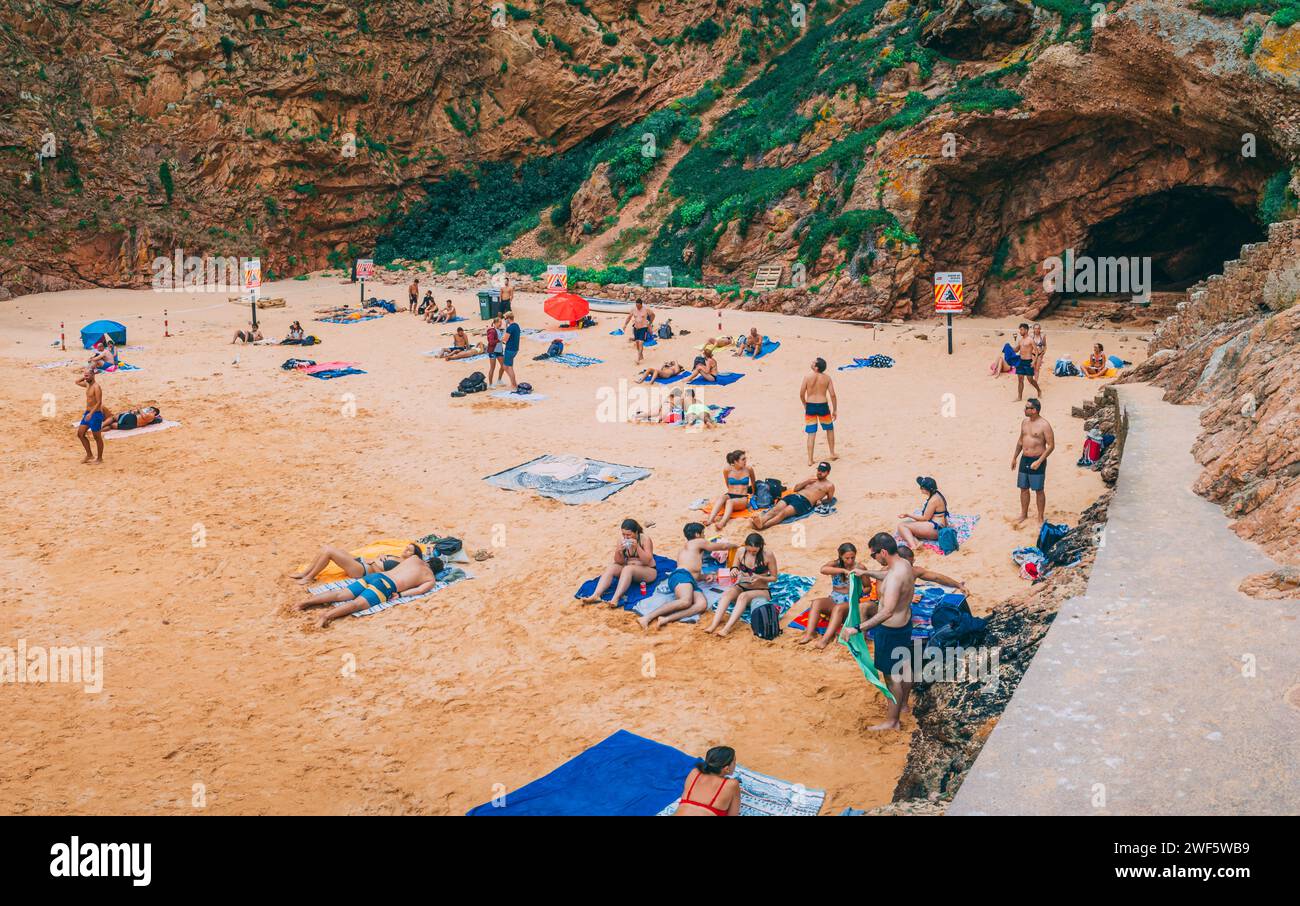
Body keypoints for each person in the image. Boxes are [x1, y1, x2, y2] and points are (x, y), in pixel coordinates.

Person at [842, 533, 915, 731]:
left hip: (890, 630)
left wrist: (857, 628)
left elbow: (887, 611)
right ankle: (903, 705)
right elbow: (888, 576)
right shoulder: (904, 565)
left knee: (891, 677)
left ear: (883, 552)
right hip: (904, 624)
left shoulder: (894, 577)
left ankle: (893, 721)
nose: (874, 558)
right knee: (903, 666)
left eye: (874, 555)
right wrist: (866, 573)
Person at [294, 551, 444, 627]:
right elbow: (418, 591)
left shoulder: (415, 558)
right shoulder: (430, 579)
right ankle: (326, 616)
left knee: (339, 594)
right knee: (356, 604)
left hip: (375, 576)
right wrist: (400, 594)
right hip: (386, 586)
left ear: (428, 561)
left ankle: (304, 603)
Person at [636, 523, 736, 631]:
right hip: (681, 576)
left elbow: (693, 573)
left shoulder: (687, 548)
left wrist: (705, 576)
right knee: (685, 601)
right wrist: (735, 546)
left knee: (701, 605)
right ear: (697, 534)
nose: (704, 536)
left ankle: (666, 619)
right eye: (703, 533)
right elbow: (722, 546)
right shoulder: (697, 542)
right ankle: (647, 617)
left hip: (687, 579)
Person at [705, 533, 776, 637]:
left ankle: (726, 629)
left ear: (761, 546)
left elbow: (774, 578)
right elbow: (734, 567)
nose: (752, 553)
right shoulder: (740, 551)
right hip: (742, 585)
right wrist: (733, 570)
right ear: (745, 545)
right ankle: (713, 625)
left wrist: (760, 577)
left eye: (755, 551)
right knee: (727, 593)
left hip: (761, 590)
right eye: (749, 550)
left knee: (743, 596)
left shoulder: (768, 555)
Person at [581, 519, 658, 608]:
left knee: (628, 569)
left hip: (647, 571)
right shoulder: (621, 540)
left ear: (636, 532)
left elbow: (647, 561)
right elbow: (619, 562)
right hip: (628, 571)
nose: (626, 537)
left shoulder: (645, 539)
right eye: (623, 534)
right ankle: (596, 595)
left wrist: (637, 547)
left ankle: (615, 599)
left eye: (628, 535)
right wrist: (619, 551)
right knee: (612, 567)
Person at [796, 542, 859, 649]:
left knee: (838, 608)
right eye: (847, 558)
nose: (850, 561)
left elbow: (867, 587)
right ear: (840, 556)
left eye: (853, 558)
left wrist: (855, 591)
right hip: (835, 597)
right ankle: (810, 634)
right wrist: (843, 570)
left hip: (849, 602)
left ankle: (825, 639)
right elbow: (823, 570)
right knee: (816, 602)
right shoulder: (834, 565)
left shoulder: (859, 567)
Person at [288, 542, 428, 586]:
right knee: (326, 547)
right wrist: (379, 556)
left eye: (408, 550)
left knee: (329, 552)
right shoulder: (397, 557)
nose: (405, 550)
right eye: (406, 548)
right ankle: (305, 573)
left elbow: (387, 574)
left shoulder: (403, 566)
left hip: (362, 570)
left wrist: (375, 564)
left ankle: (309, 577)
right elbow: (381, 559)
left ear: (413, 556)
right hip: (362, 561)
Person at [750, 462, 835, 530]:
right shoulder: (812, 478)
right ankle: (761, 521)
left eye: (823, 471)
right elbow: (796, 488)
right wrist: (807, 482)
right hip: (795, 495)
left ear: (828, 473)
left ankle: (763, 526)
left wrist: (821, 502)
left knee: (783, 513)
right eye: (819, 470)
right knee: (774, 510)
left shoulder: (829, 486)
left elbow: (830, 499)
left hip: (805, 502)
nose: (820, 472)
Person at [1012, 397, 1055, 527]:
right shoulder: (1024, 422)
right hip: (1024, 458)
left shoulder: (1044, 425)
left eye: (1027, 408)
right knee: (1023, 488)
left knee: (1038, 490)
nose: (1024, 410)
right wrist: (1014, 457)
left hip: (1038, 460)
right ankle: (1024, 514)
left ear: (1034, 410)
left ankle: (1040, 516)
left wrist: (1040, 461)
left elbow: (1051, 446)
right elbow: (1020, 441)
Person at [865, 544, 968, 592]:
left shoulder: (913, 570)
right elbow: (882, 597)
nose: (912, 564)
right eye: (910, 563)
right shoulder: (884, 573)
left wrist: (958, 585)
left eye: (913, 562)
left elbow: (937, 577)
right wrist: (907, 598)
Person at [675, 746, 740, 816]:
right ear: (727, 769)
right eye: (734, 762)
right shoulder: (732, 784)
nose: (735, 764)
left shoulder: (695, 773)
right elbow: (733, 814)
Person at [800, 357, 837, 465]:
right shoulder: (827, 378)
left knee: (811, 432)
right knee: (829, 429)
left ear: (816, 368)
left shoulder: (807, 377)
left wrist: (805, 404)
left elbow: (801, 393)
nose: (811, 363)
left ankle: (810, 459)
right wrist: (835, 409)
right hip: (823, 405)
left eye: (814, 362)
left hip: (810, 405)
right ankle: (832, 453)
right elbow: (832, 394)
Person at [896, 476, 950, 549]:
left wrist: (908, 515)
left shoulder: (933, 500)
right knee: (909, 526)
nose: (920, 489)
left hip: (936, 529)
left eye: (921, 487)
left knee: (902, 526)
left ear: (925, 489)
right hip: (940, 525)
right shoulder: (937, 494)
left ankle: (914, 545)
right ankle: (917, 542)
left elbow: (925, 518)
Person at [707, 450, 756, 529]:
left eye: (745, 458)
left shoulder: (749, 469)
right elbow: (727, 483)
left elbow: (753, 483)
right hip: (730, 494)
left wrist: (753, 494)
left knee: (729, 502)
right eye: (743, 459)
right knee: (722, 497)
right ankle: (710, 520)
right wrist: (731, 491)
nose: (745, 461)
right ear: (735, 461)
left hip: (742, 498)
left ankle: (722, 523)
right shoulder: (727, 470)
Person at [75, 367, 105, 464]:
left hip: (95, 414)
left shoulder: (96, 387)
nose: (85, 377)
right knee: (80, 434)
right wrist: (85, 377)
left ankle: (99, 458)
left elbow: (99, 402)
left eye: (87, 375)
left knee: (97, 437)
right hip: (87, 413)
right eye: (85, 375)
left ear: (93, 375)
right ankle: (89, 455)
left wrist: (91, 413)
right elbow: (77, 382)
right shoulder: (87, 384)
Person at [1013, 323, 1041, 401]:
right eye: (1020, 330)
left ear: (1026, 330)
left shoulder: (1030, 340)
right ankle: (1019, 397)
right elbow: (1016, 350)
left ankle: (1039, 390)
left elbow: (1036, 351)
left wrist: (1034, 361)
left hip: (1028, 362)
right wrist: (1009, 347)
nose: (1020, 331)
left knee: (1030, 380)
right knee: (1020, 379)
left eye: (1021, 330)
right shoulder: (1020, 340)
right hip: (1021, 361)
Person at [622, 300, 653, 365]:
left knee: (641, 343)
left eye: (639, 306)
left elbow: (653, 315)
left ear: (641, 304)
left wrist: (649, 324)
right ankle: (641, 355)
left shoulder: (646, 309)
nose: (637, 307)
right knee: (637, 343)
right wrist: (625, 325)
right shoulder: (633, 309)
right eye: (636, 305)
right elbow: (629, 317)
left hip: (643, 328)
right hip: (636, 328)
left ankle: (638, 359)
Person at [502, 311, 521, 390]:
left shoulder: (510, 328)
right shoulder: (516, 325)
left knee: (507, 367)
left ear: (508, 319)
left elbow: (505, 339)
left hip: (510, 349)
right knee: (509, 366)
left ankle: (514, 384)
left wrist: (505, 328)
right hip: (515, 349)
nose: (504, 320)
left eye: (505, 319)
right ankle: (513, 383)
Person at [486, 315, 504, 386]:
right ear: (495, 323)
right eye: (500, 322)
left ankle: (499, 380)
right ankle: (490, 384)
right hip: (493, 351)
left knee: (503, 366)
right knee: (492, 368)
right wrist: (499, 340)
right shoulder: (492, 331)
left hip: (499, 351)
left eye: (501, 322)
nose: (501, 324)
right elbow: (491, 342)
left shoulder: (499, 330)